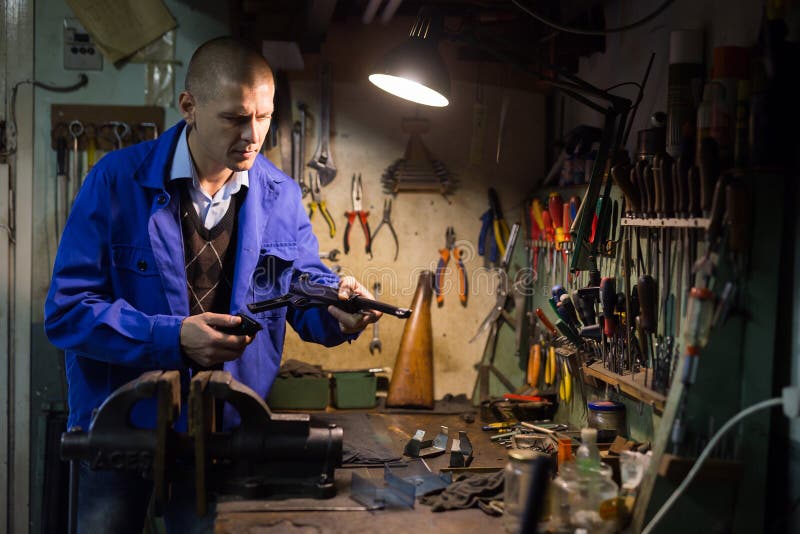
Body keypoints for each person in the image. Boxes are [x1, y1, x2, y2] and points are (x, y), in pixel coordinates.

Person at [44, 37, 380, 533]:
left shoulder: (280, 197)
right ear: (189, 107)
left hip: (225, 435)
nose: (253, 135)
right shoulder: (115, 182)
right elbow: (68, 311)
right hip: (120, 427)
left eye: (264, 117)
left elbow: (299, 294)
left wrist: (338, 311)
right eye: (235, 118)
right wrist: (172, 337)